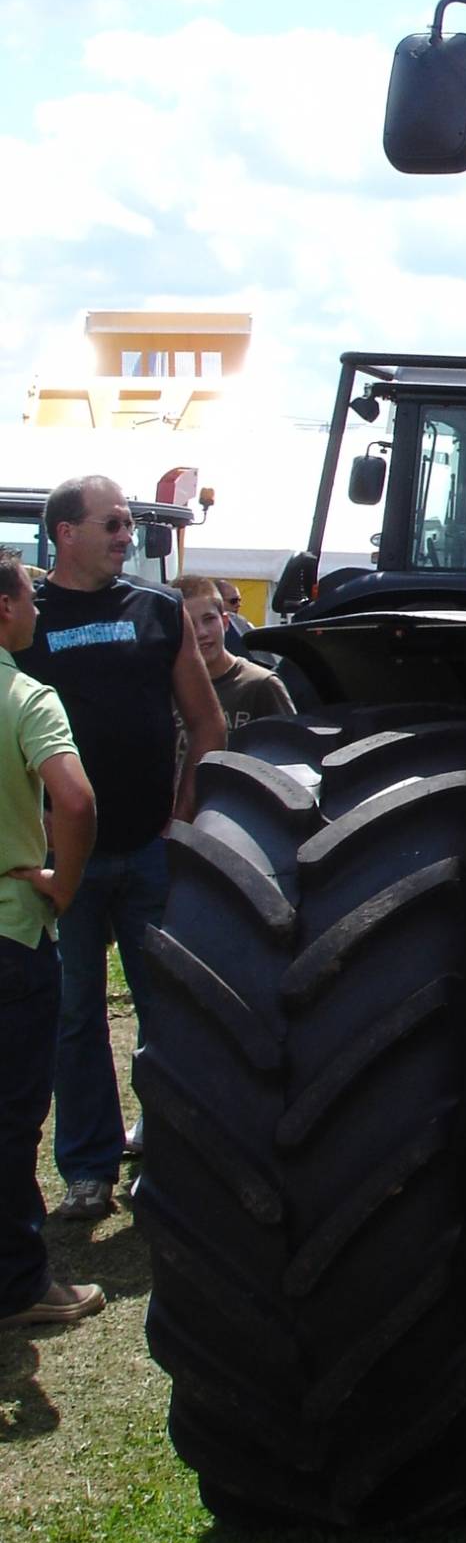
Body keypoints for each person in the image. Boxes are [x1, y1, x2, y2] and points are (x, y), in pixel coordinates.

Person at [13, 478, 225, 1223]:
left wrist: (184, 814)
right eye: (112, 524)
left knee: (169, 1017)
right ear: (64, 533)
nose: (126, 536)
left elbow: (208, 724)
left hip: (148, 851)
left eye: (130, 523)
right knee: (74, 1016)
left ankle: (171, 1160)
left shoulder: (156, 609)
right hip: (65, 858)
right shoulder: (31, 620)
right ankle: (88, 1171)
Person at [0, 552, 103, 1327]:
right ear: (4, 611)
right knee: (9, 1117)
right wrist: (62, 886)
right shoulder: (27, 696)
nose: (38, 610)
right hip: (11, 931)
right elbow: (73, 799)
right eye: (31, 598)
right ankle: (19, 1285)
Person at [176, 576, 293, 737]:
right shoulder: (163, 686)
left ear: (225, 622)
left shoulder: (260, 686)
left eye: (209, 619)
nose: (201, 632)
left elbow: (289, 750)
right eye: (189, 624)